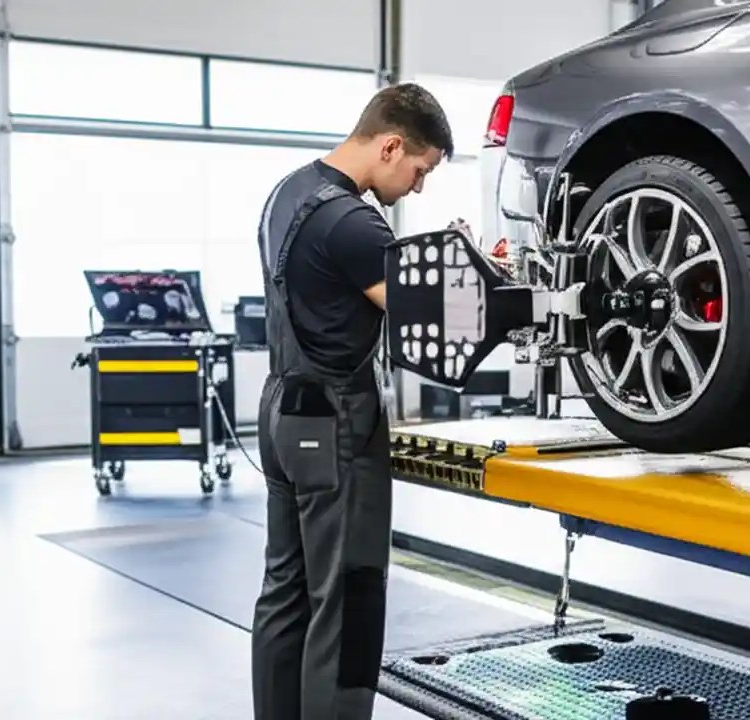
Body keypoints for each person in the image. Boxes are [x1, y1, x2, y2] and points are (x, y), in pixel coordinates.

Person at [251, 82, 454, 720]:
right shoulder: (356, 223)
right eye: (419, 171)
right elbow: (434, 316)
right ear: (391, 146)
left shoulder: (287, 192)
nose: (417, 187)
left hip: (282, 409)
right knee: (349, 599)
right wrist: (485, 279)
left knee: (286, 592)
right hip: (335, 423)